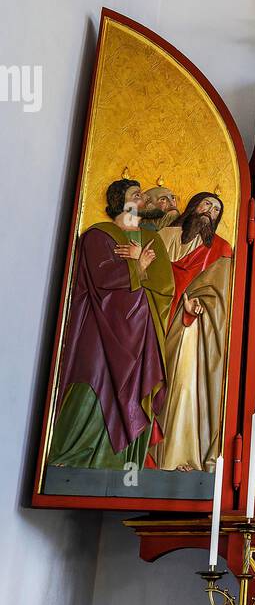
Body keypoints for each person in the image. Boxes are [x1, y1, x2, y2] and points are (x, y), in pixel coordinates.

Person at [48, 179, 174, 469]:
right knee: (93, 385)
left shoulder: (151, 240)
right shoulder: (98, 235)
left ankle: (121, 466)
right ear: (120, 201)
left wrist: (140, 269)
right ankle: (71, 458)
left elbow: (164, 288)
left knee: (133, 392)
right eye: (136, 195)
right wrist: (137, 267)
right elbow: (101, 278)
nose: (143, 200)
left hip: (141, 336)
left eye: (143, 195)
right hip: (99, 331)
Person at [154, 193, 233, 472]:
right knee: (154, 381)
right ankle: (149, 454)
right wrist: (176, 295)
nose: (210, 211)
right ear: (194, 206)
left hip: (192, 328)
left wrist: (198, 301)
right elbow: (149, 275)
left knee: (184, 383)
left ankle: (181, 454)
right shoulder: (165, 235)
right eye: (207, 205)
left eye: (216, 210)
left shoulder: (221, 249)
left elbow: (220, 294)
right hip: (158, 319)